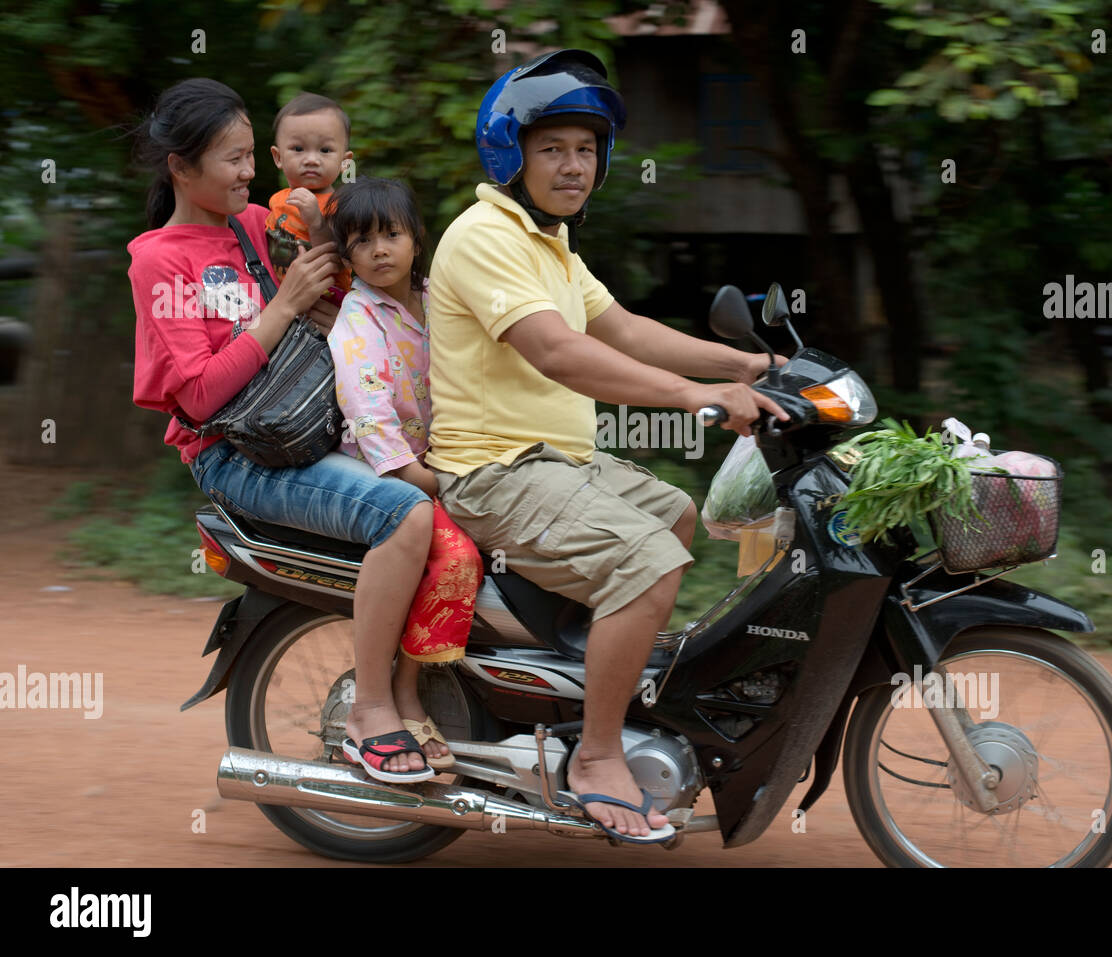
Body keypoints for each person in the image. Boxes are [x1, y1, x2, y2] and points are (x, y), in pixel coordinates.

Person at [426, 50, 788, 842]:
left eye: (586, 149)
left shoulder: (552, 246)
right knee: (649, 560)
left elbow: (622, 329)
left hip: (557, 465)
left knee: (677, 513)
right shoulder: (487, 235)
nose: (573, 165)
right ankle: (594, 755)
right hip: (495, 470)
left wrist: (752, 365)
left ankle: (587, 696)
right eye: (553, 147)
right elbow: (558, 351)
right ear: (511, 152)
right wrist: (697, 397)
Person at [129, 77, 440, 783]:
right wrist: (286, 307)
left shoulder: (254, 227)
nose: (250, 172)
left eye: (249, 157)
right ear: (182, 169)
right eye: (235, 159)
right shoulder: (159, 259)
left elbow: (349, 261)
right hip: (232, 452)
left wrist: (327, 308)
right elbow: (202, 395)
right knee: (407, 512)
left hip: (306, 423)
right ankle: (370, 709)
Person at [325, 176, 483, 768]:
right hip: (388, 472)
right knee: (458, 556)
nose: (380, 250)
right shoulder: (359, 319)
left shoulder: (440, 297)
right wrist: (428, 480)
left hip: (451, 458)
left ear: (417, 238)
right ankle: (402, 690)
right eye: (362, 242)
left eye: (391, 234)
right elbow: (369, 418)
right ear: (347, 257)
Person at [265, 92, 353, 305]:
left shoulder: (343, 206)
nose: (312, 159)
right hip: (282, 301)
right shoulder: (277, 200)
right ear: (278, 157)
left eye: (325, 150)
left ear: (344, 162)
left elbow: (342, 259)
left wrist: (316, 222)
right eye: (298, 149)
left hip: (330, 302)